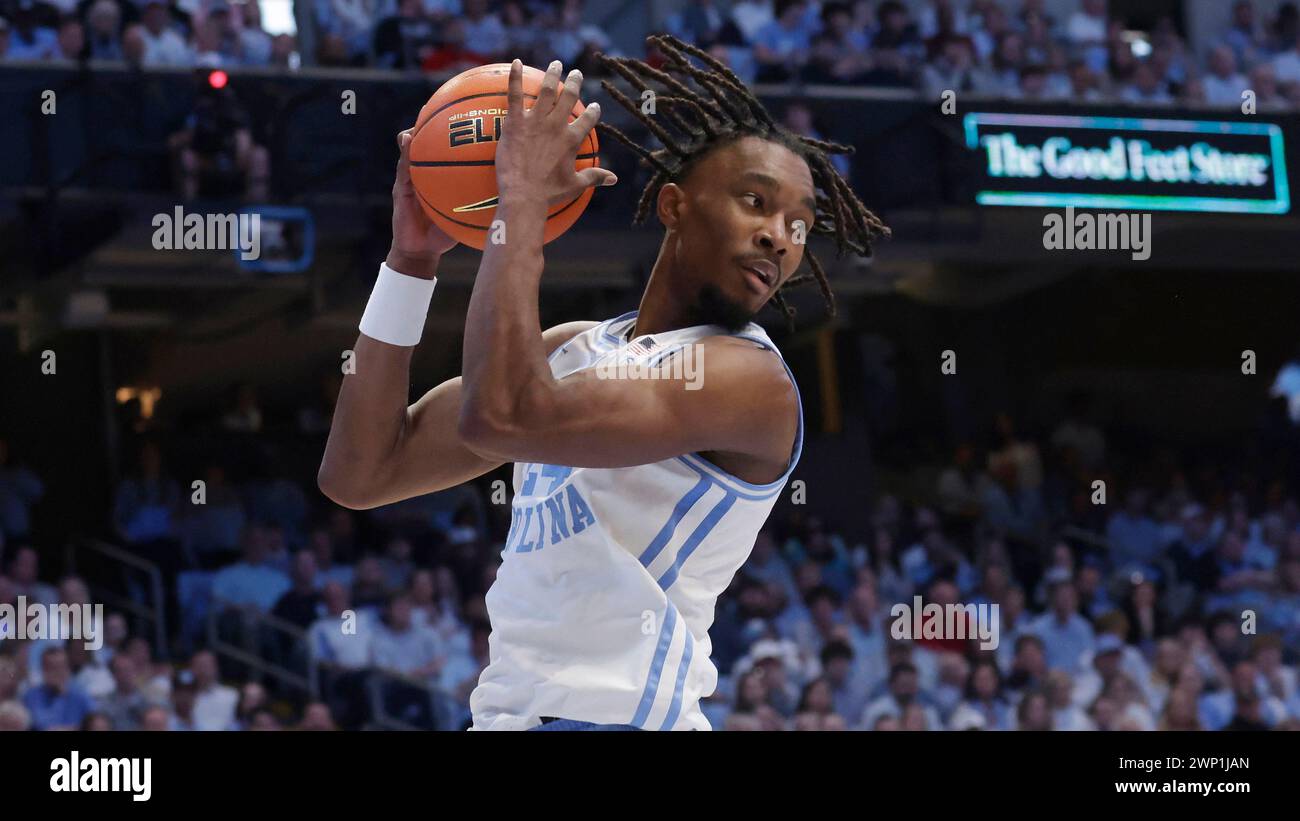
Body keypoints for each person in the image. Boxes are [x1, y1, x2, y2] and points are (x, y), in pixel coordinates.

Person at [318, 35, 886, 731]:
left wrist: (517, 203)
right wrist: (409, 261)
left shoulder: (747, 379)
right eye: (755, 201)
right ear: (674, 207)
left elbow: (499, 416)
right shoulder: (569, 349)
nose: (779, 236)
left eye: (798, 226)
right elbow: (361, 472)